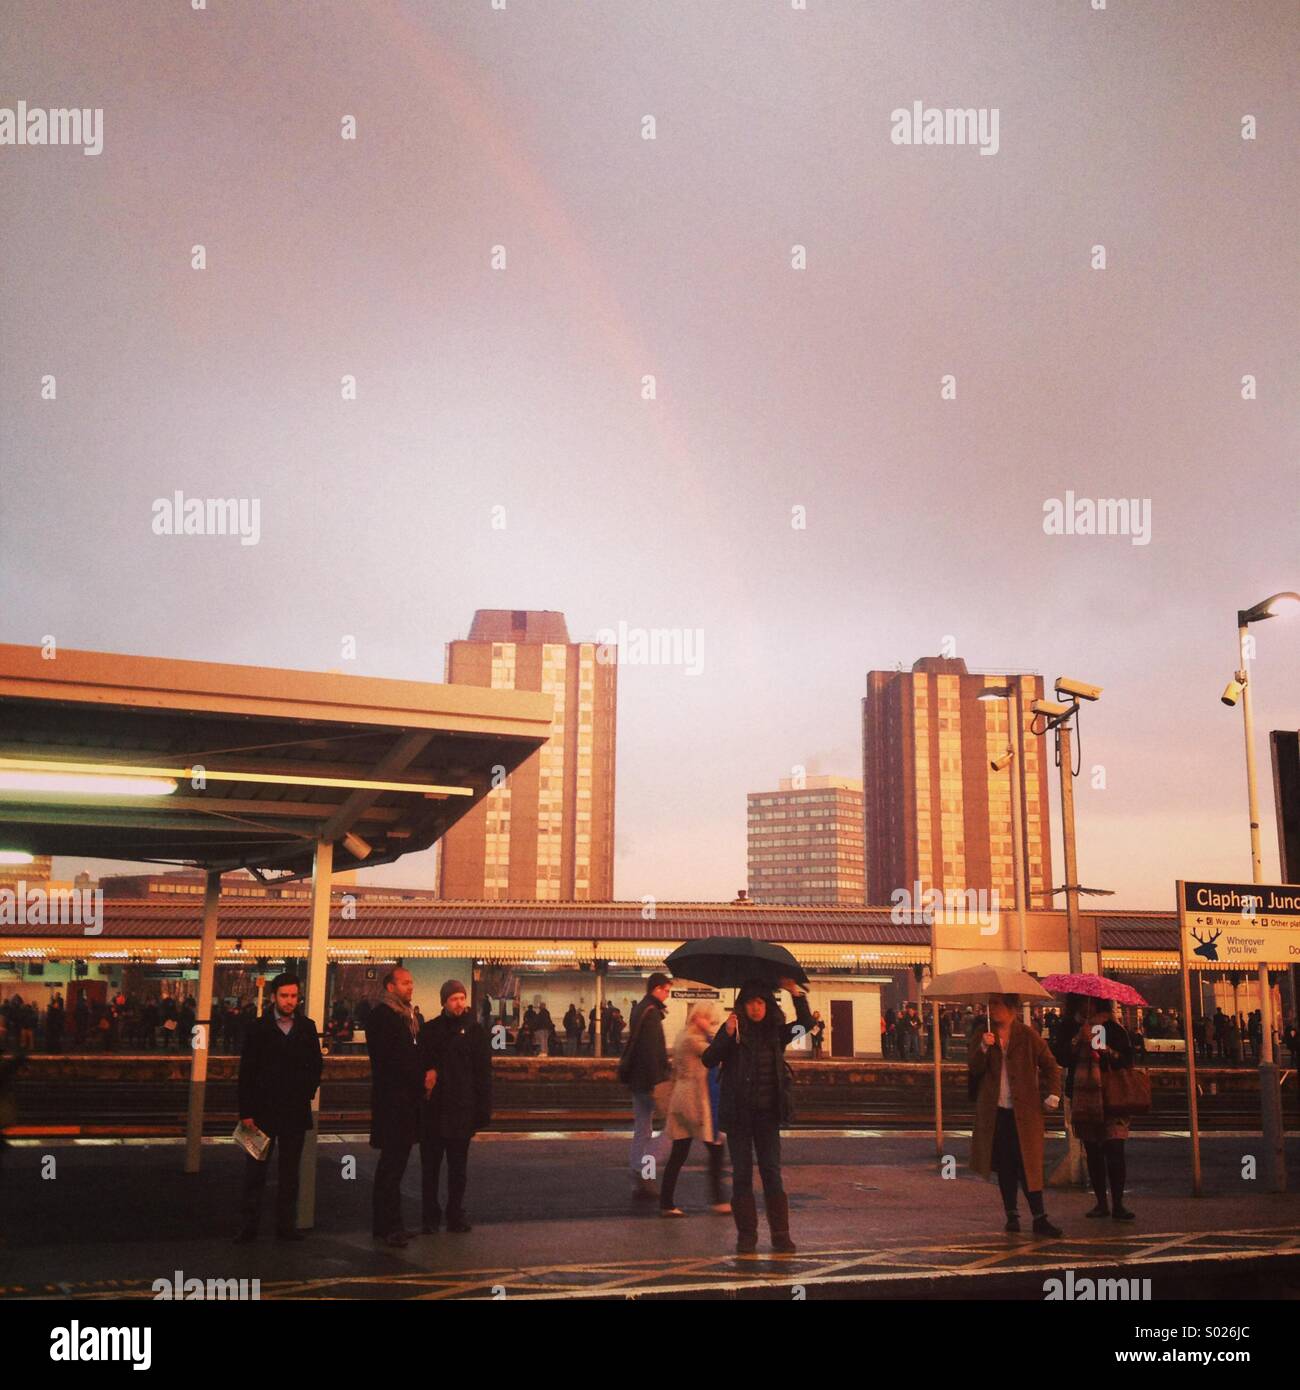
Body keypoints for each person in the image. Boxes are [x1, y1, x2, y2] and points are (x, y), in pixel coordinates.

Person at [703, 976, 812, 1255]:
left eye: (761, 1002)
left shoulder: (777, 1033)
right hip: (739, 1115)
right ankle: (747, 1236)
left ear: (768, 1005)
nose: (756, 1007)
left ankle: (780, 1235)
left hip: (768, 1115)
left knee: (771, 1173)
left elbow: (806, 1024)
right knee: (741, 1175)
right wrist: (726, 1034)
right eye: (751, 1002)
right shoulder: (734, 1030)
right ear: (742, 1005)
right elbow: (708, 1059)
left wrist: (795, 992)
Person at [235, 973, 323, 1242]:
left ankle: (285, 1226)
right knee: (255, 1173)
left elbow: (316, 1065)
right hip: (261, 1113)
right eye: (285, 996)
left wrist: (306, 1092)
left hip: (294, 1111)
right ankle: (250, 1227)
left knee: (289, 1173)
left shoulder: (307, 1027)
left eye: (294, 996)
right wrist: (246, 1113)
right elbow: (247, 1071)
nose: (289, 1001)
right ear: (274, 997)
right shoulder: (257, 1028)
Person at [969, 993, 1063, 1237]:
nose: (991, 1008)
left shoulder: (1027, 1035)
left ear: (1010, 1008)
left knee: (1028, 1164)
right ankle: (1012, 1215)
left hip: (1024, 1113)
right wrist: (983, 1047)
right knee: (1004, 1165)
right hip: (996, 1112)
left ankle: (1040, 1218)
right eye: (989, 1004)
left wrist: (1053, 1094)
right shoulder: (983, 1034)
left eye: (996, 1004)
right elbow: (974, 1068)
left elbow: (1050, 1064)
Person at [419, 980, 492, 1234]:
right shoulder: (430, 1030)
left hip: (459, 1109)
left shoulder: (475, 1032)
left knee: (456, 1169)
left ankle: (453, 1213)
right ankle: (432, 1215)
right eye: (453, 999)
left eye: (461, 997)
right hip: (437, 1110)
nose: (459, 1003)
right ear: (444, 1002)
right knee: (432, 1168)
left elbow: (483, 1074)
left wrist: (482, 1110)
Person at [366, 966, 430, 1247]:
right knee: (391, 1167)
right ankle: (389, 1226)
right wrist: (421, 1076)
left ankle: (389, 1224)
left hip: (404, 1103)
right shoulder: (384, 1017)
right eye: (404, 983)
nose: (410, 987)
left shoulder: (409, 1017)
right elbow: (393, 1060)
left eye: (411, 982)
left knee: (394, 1165)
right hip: (394, 1104)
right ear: (390, 987)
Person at [1062, 995, 1136, 1221]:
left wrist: (1104, 1050)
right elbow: (1062, 1057)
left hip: (1111, 1095)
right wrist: (1077, 1040)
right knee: (1093, 1151)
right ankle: (1101, 1202)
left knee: (1114, 1149)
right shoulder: (1071, 1026)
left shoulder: (1113, 1028)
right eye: (1083, 1002)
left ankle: (1118, 1203)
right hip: (1084, 1095)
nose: (1087, 1007)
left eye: (1091, 1002)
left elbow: (1126, 1060)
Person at [659, 1002, 730, 1217]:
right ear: (698, 1017)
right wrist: (719, 1031)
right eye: (708, 1019)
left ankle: (666, 1203)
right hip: (694, 1102)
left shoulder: (683, 1036)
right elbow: (715, 1053)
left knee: (679, 1154)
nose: (710, 1023)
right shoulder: (692, 1040)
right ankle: (718, 1200)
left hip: (682, 1099)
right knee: (716, 1148)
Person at [621, 972, 673, 1198]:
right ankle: (646, 1171)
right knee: (671, 1130)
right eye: (667, 990)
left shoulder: (640, 1008)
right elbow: (652, 1051)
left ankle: (637, 1174)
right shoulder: (651, 1014)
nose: (668, 995)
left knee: (642, 1129)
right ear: (658, 989)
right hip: (649, 1081)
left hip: (637, 1080)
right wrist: (658, 1081)